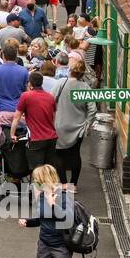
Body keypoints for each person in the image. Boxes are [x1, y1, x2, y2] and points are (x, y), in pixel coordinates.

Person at [51, 61, 94, 190]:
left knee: (59, 155)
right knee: (75, 155)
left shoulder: (61, 83)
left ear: (70, 70)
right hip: (79, 127)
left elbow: (50, 100)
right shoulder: (85, 87)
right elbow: (93, 109)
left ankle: (64, 184)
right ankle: (73, 185)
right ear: (82, 73)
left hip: (60, 125)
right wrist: (87, 124)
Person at [10, 70, 57, 171]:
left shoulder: (26, 96)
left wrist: (12, 134)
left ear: (30, 84)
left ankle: (37, 187)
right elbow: (54, 117)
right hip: (52, 138)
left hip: (36, 138)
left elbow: (17, 117)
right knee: (48, 170)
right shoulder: (50, 97)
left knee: (36, 171)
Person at [0, 42, 30, 131]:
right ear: (16, 56)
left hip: (3, 110)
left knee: (1, 136)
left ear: (3, 56)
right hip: (19, 111)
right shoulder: (24, 71)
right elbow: (28, 91)